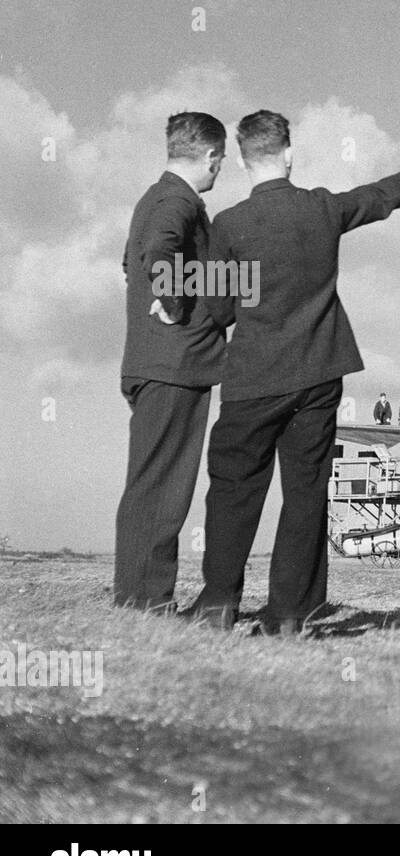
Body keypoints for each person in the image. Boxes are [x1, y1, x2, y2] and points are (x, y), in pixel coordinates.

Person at [185, 110, 400, 634]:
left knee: (235, 489)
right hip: (320, 373)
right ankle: (289, 617)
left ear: (240, 159)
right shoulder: (322, 208)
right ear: (288, 154)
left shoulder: (229, 225)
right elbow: (379, 197)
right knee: (305, 492)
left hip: (255, 376)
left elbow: (217, 309)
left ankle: (217, 606)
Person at [114, 112, 228, 614]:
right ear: (208, 155)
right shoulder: (178, 200)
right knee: (165, 490)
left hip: (151, 361)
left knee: (148, 484)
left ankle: (136, 598)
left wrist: (158, 296)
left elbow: (130, 263)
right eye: (219, 161)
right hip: (174, 366)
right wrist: (175, 301)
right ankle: (148, 603)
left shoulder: (151, 198)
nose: (218, 171)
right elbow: (160, 250)